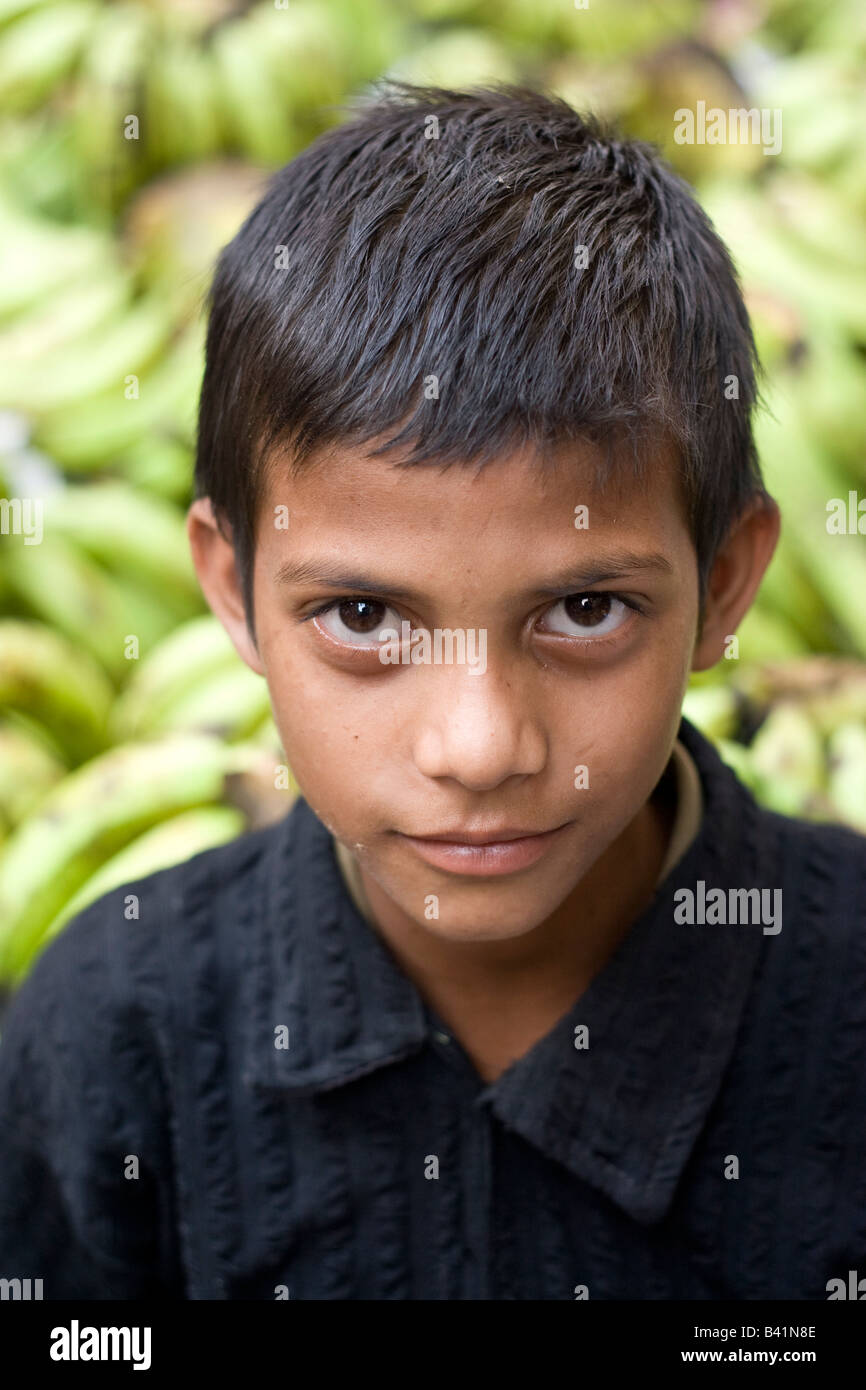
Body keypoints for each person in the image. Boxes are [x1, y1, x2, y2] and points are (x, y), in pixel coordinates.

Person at [0, 82, 863, 1300]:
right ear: (232, 586)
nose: (477, 747)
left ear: (724, 583)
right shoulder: (111, 1032)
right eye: (362, 617)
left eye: (582, 610)